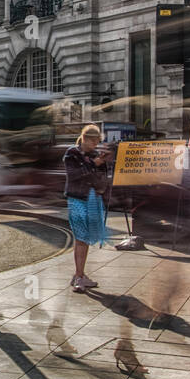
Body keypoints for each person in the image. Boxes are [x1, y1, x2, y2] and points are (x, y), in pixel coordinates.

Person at [64, 124, 113, 293]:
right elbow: (76, 174)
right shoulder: (72, 154)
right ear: (84, 139)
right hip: (77, 199)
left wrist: (102, 162)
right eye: (93, 141)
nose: (95, 144)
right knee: (81, 237)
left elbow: (100, 177)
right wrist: (95, 163)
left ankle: (80, 274)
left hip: (92, 199)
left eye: (97, 141)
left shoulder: (93, 155)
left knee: (86, 238)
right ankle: (78, 276)